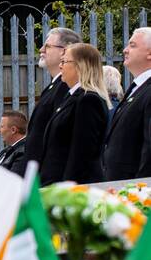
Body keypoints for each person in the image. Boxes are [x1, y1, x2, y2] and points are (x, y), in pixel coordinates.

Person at [40, 42, 109, 185]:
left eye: (64, 61)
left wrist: (68, 188)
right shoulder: (71, 98)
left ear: (81, 65)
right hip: (55, 183)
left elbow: (81, 153)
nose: (60, 66)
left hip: (71, 187)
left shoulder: (88, 100)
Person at [24, 27, 80, 175]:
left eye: (48, 46)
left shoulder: (66, 86)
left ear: (65, 50)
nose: (41, 50)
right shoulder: (54, 86)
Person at [103, 26, 151, 180]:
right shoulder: (137, 88)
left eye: (133, 45)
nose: (125, 50)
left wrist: (140, 189)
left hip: (135, 191)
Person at [0, 110, 29, 175]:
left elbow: (13, 180)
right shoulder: (5, 151)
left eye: (2, 126)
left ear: (13, 130)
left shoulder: (24, 152)